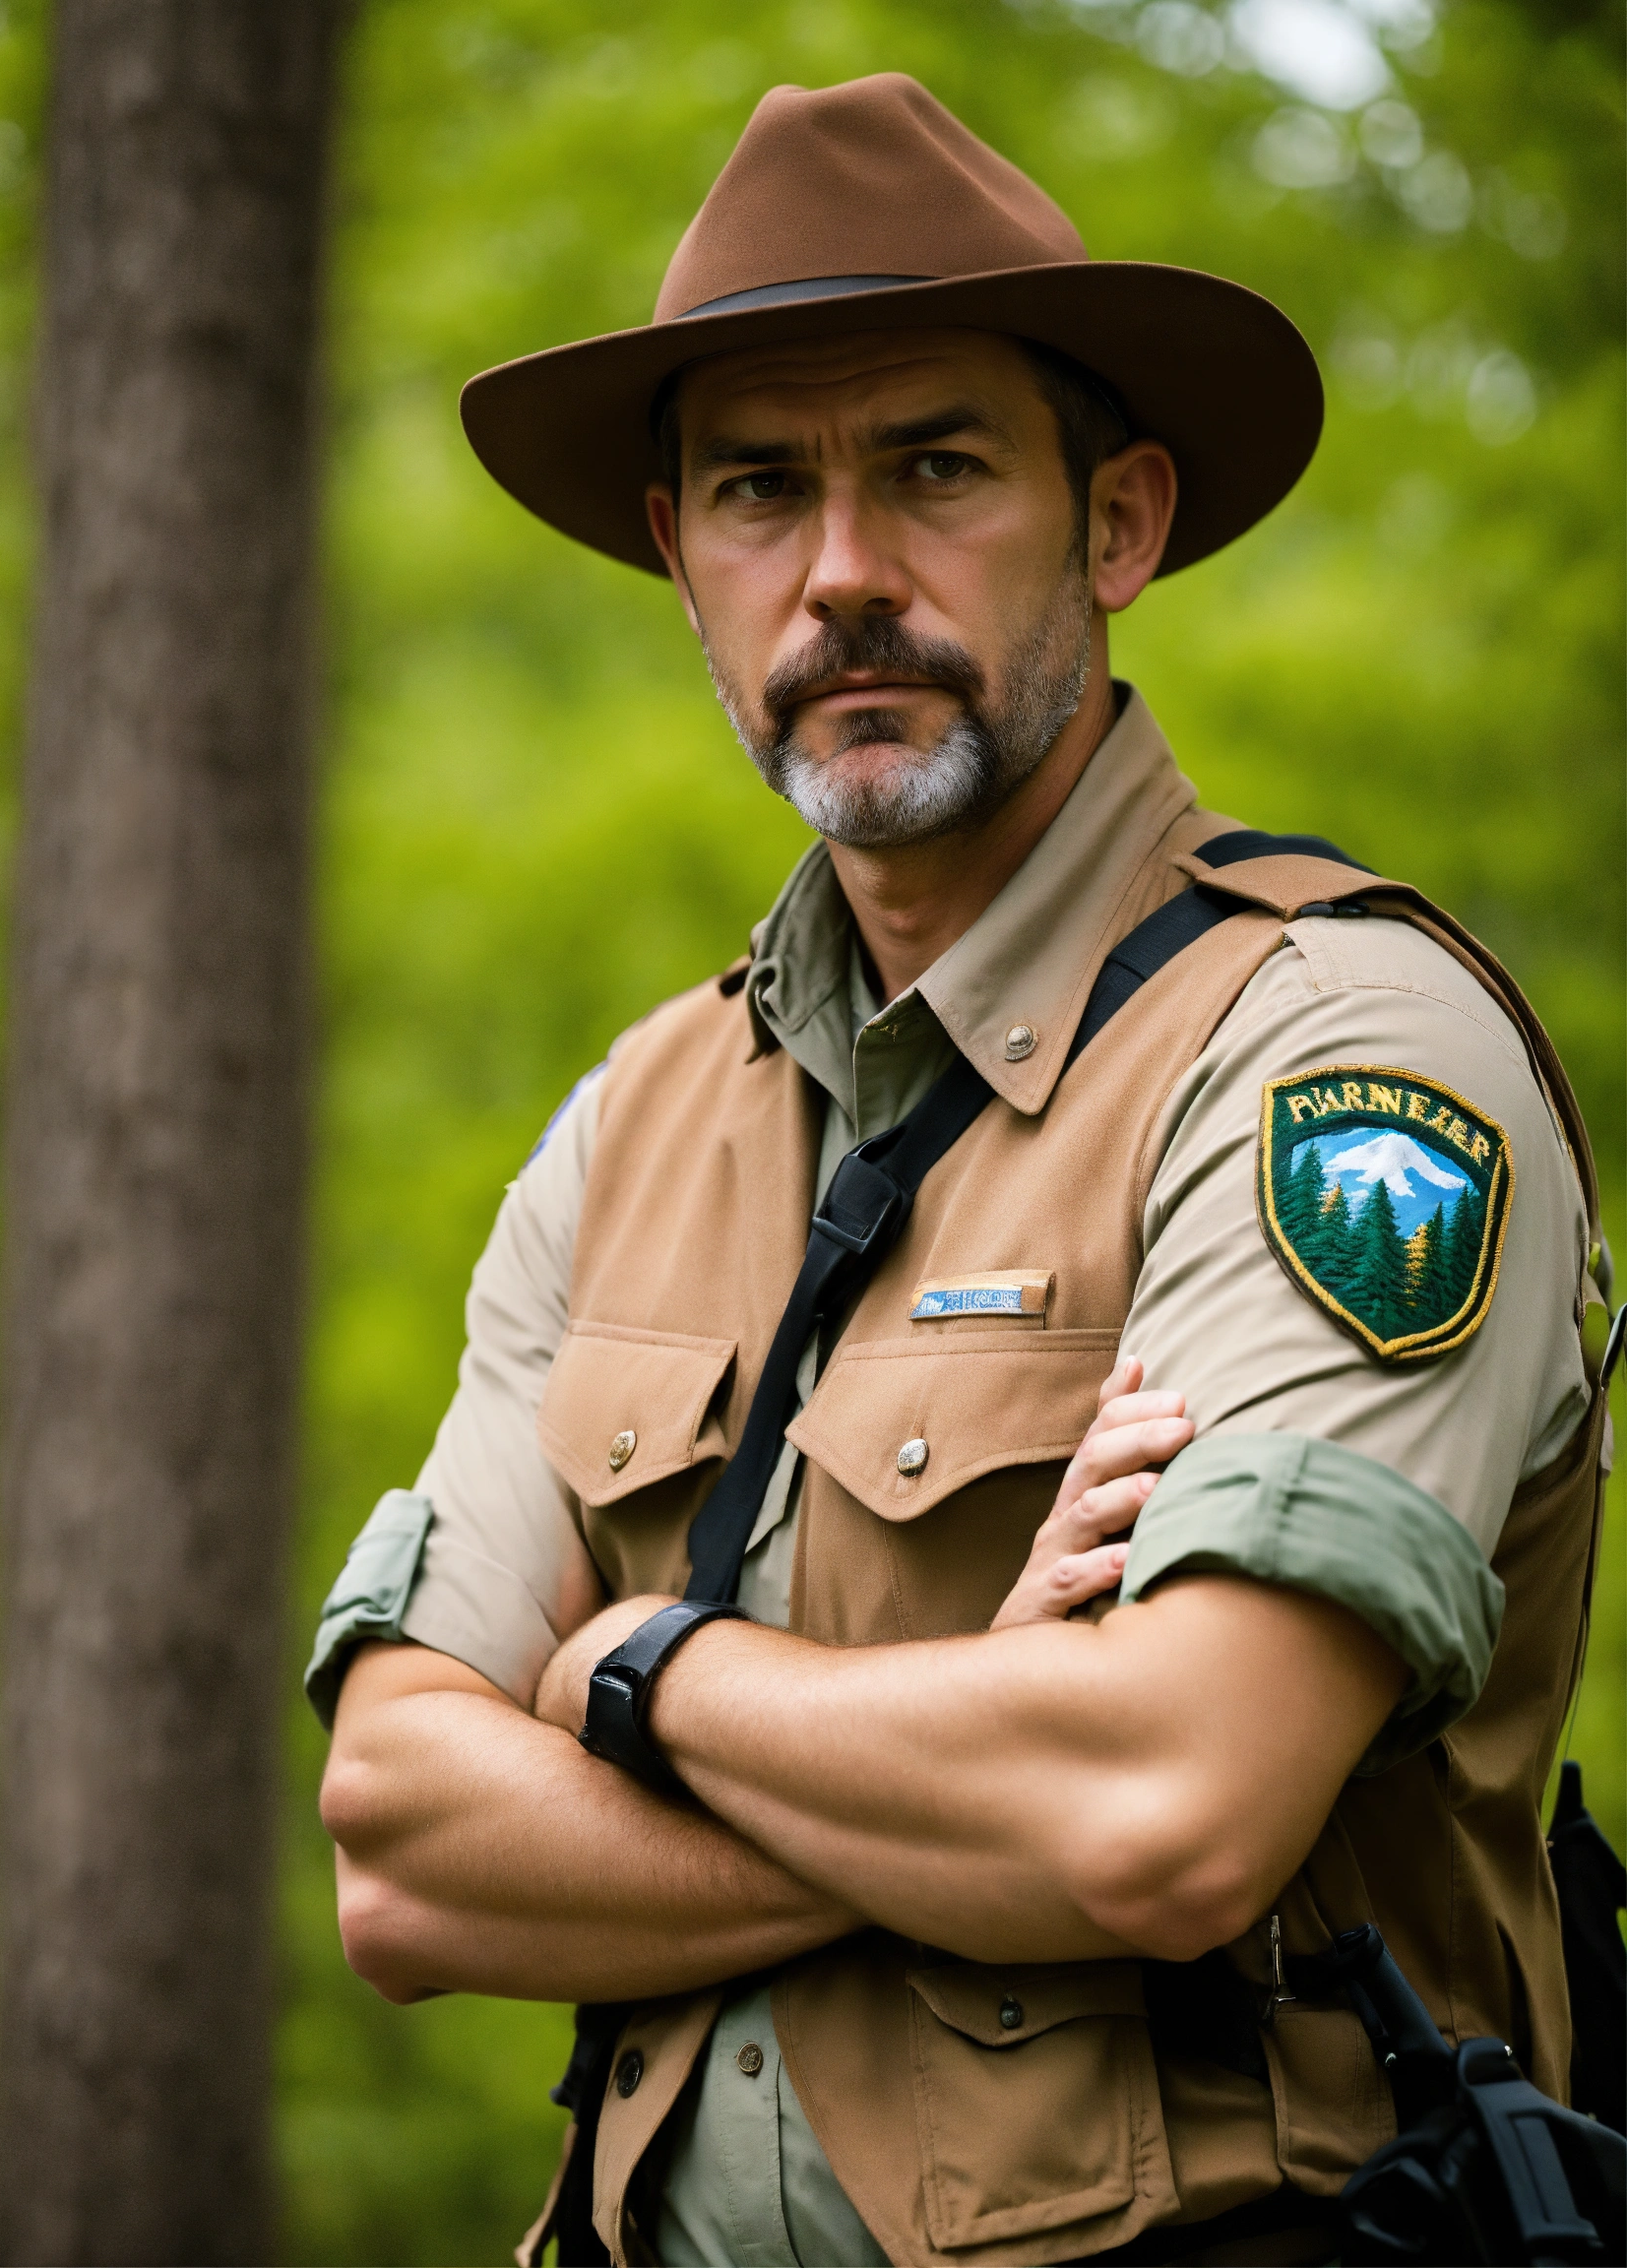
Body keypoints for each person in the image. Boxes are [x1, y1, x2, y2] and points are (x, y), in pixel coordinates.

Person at [307, 74, 1609, 2268]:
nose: (840, 573)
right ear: (681, 559)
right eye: (759, 489)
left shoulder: (1334, 1060)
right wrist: (963, 1771)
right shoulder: (637, 1120)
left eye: (933, 467)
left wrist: (637, 1670)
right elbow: (401, 1849)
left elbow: (1165, 1808)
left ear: (1116, 526)